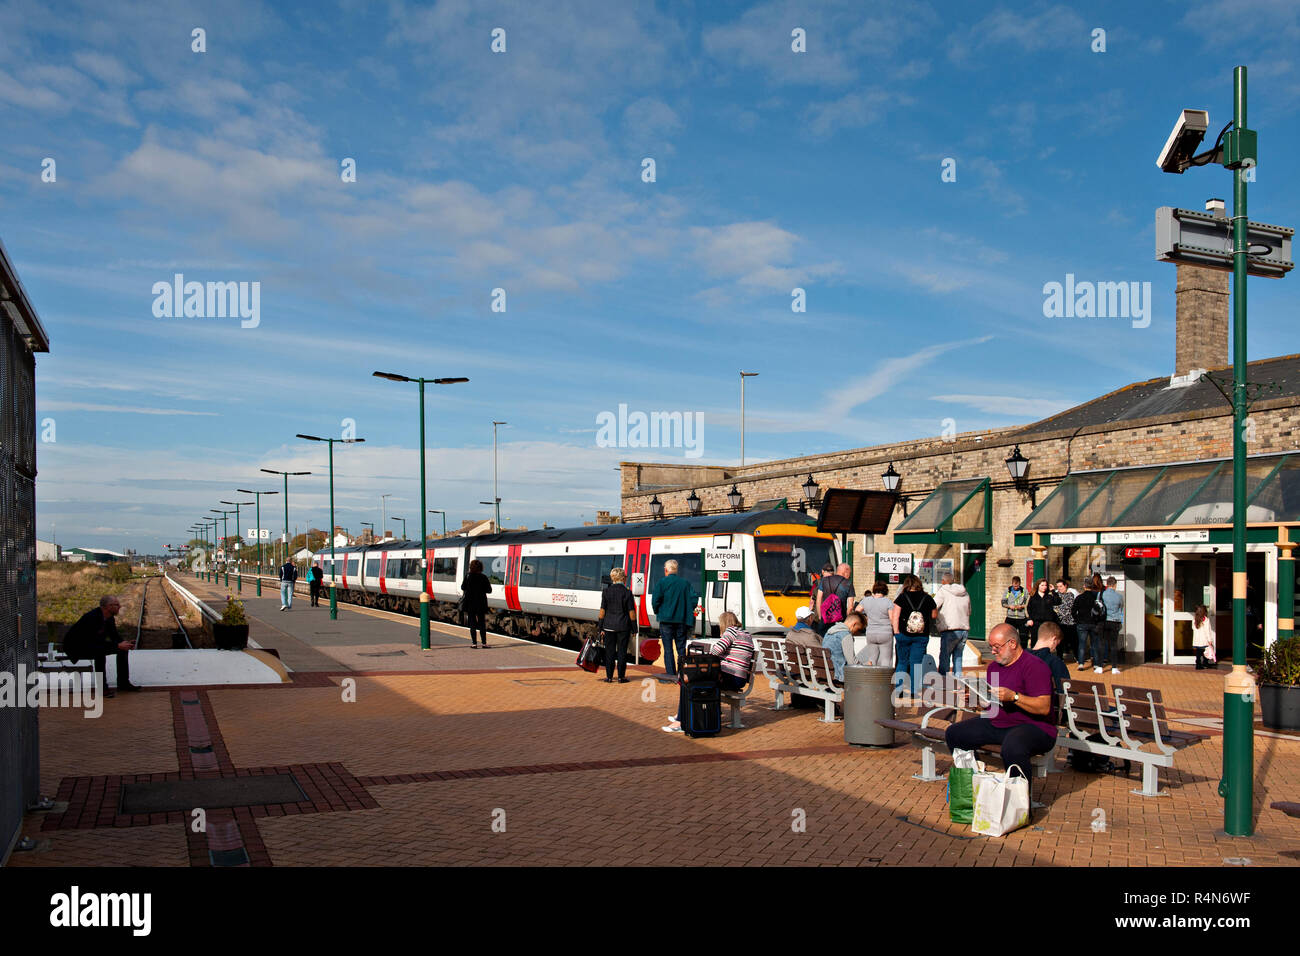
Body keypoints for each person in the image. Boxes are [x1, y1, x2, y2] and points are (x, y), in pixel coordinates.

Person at [944, 622, 1057, 799]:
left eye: (997, 647)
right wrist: (974, 700)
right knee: (955, 733)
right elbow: (991, 705)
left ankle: (1019, 802)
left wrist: (1015, 697)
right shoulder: (994, 667)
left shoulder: (1035, 666)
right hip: (1000, 724)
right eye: (991, 647)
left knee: (1013, 745)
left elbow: (1043, 707)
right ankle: (973, 786)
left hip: (1035, 727)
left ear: (1012, 643)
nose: (993, 652)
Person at [662, 611, 753, 732]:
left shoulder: (731, 631)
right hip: (739, 679)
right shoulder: (746, 634)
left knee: (689, 682)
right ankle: (682, 715)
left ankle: (682, 721)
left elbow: (716, 650)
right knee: (693, 681)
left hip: (730, 677)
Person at [64, 595, 137, 697]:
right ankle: (102, 688)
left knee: (122, 650)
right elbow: (93, 641)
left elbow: (114, 636)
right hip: (77, 647)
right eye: (116, 604)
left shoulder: (109, 618)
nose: (119, 606)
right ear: (108, 606)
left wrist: (125, 643)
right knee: (100, 653)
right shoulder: (92, 618)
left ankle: (123, 683)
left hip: (93, 644)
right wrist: (117, 645)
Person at [651, 559, 699, 679]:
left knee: (668, 648)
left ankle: (671, 673)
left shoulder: (662, 582)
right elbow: (694, 599)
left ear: (666, 570)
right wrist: (687, 609)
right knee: (681, 647)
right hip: (681, 620)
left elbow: (655, 600)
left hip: (666, 620)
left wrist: (658, 611)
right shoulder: (685, 583)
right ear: (676, 570)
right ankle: (682, 672)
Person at [891, 574, 937, 698]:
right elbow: (934, 615)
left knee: (902, 662)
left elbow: (895, 616)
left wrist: (896, 632)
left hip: (903, 635)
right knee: (916, 663)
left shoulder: (901, 597)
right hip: (921, 635)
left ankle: (899, 690)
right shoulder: (927, 598)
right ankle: (913, 691)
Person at [598, 567, 636, 682]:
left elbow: (602, 611)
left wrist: (600, 627)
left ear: (612, 578)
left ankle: (609, 677)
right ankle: (621, 677)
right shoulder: (627, 593)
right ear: (623, 578)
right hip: (623, 626)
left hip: (608, 626)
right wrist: (634, 628)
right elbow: (631, 612)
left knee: (609, 652)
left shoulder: (606, 592)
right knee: (622, 652)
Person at [933, 572, 971, 677]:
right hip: (963, 628)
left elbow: (933, 605)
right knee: (958, 656)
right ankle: (958, 681)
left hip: (949, 628)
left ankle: (943, 681)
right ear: (953, 581)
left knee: (945, 657)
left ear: (944, 581)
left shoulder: (943, 591)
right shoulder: (965, 593)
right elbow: (969, 611)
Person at [855, 581, 895, 667]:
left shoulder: (866, 600)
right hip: (885, 633)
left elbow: (857, 611)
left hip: (871, 632)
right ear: (885, 591)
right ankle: (884, 679)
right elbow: (892, 619)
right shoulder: (888, 602)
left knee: (872, 659)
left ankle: (872, 679)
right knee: (886, 659)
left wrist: (865, 619)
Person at [813, 562, 853, 637]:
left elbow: (819, 599)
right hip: (840, 620)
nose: (850, 575)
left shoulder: (824, 581)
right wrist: (846, 620)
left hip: (825, 618)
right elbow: (850, 606)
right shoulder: (848, 583)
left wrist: (820, 616)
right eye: (850, 573)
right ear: (846, 572)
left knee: (822, 641)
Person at [823, 611, 866, 681]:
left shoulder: (829, 632)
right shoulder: (845, 635)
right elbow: (852, 662)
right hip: (838, 676)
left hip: (825, 673)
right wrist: (866, 666)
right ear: (854, 624)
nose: (857, 633)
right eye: (858, 629)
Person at [1030, 622, 1071, 695]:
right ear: (1054, 639)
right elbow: (1066, 691)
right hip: (1046, 704)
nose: (1055, 648)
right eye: (1057, 644)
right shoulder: (1055, 661)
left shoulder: (1021, 657)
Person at [460, 558, 492, 648]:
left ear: (471, 567)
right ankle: (484, 643)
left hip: (470, 603)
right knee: (482, 623)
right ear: (481, 568)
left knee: (472, 624)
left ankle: (474, 643)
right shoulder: (483, 577)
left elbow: (463, 587)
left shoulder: (468, 576)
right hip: (481, 603)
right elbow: (489, 590)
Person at [1099, 575, 1123, 675]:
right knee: (1113, 645)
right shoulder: (1119, 596)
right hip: (1115, 621)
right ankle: (1114, 667)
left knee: (1102, 644)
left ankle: (1100, 667)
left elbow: (1098, 606)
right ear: (1115, 585)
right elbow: (1121, 609)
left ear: (1107, 584)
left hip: (1104, 621)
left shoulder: (1101, 594)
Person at [1025, 579, 1059, 649]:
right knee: (1035, 641)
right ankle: (1034, 657)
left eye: (1045, 585)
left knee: (1046, 642)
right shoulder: (1032, 596)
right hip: (1035, 623)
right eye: (1042, 585)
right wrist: (1029, 619)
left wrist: (1053, 591)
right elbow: (1027, 608)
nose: (1044, 587)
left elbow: (1058, 601)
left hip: (1047, 623)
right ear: (1038, 586)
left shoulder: (1049, 596)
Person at [1052, 580, 1076, 661]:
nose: (1059, 588)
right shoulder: (1056, 595)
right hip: (1059, 622)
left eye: (1061, 586)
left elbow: (1068, 607)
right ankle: (1060, 656)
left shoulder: (1070, 595)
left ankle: (1077, 656)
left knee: (1073, 640)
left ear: (1065, 586)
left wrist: (1059, 610)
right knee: (1060, 641)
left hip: (1069, 622)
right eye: (1057, 587)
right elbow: (1054, 607)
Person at [1000, 576, 1028, 644]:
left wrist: (1021, 606)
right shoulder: (1008, 591)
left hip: (1021, 617)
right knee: (1009, 636)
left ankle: (1023, 651)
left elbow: (1028, 603)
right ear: (1012, 584)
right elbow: (1003, 603)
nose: (1016, 588)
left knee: (1023, 637)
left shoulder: (1024, 591)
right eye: (1014, 586)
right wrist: (1009, 606)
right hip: (1010, 617)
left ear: (1020, 584)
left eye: (1017, 586)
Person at [1192, 604, 1214, 670]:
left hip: (1197, 639)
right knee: (1206, 652)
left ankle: (1198, 664)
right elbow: (1208, 631)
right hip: (1204, 640)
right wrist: (1210, 640)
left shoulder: (1194, 619)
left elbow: (1193, 628)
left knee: (1198, 653)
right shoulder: (1206, 620)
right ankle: (1205, 663)